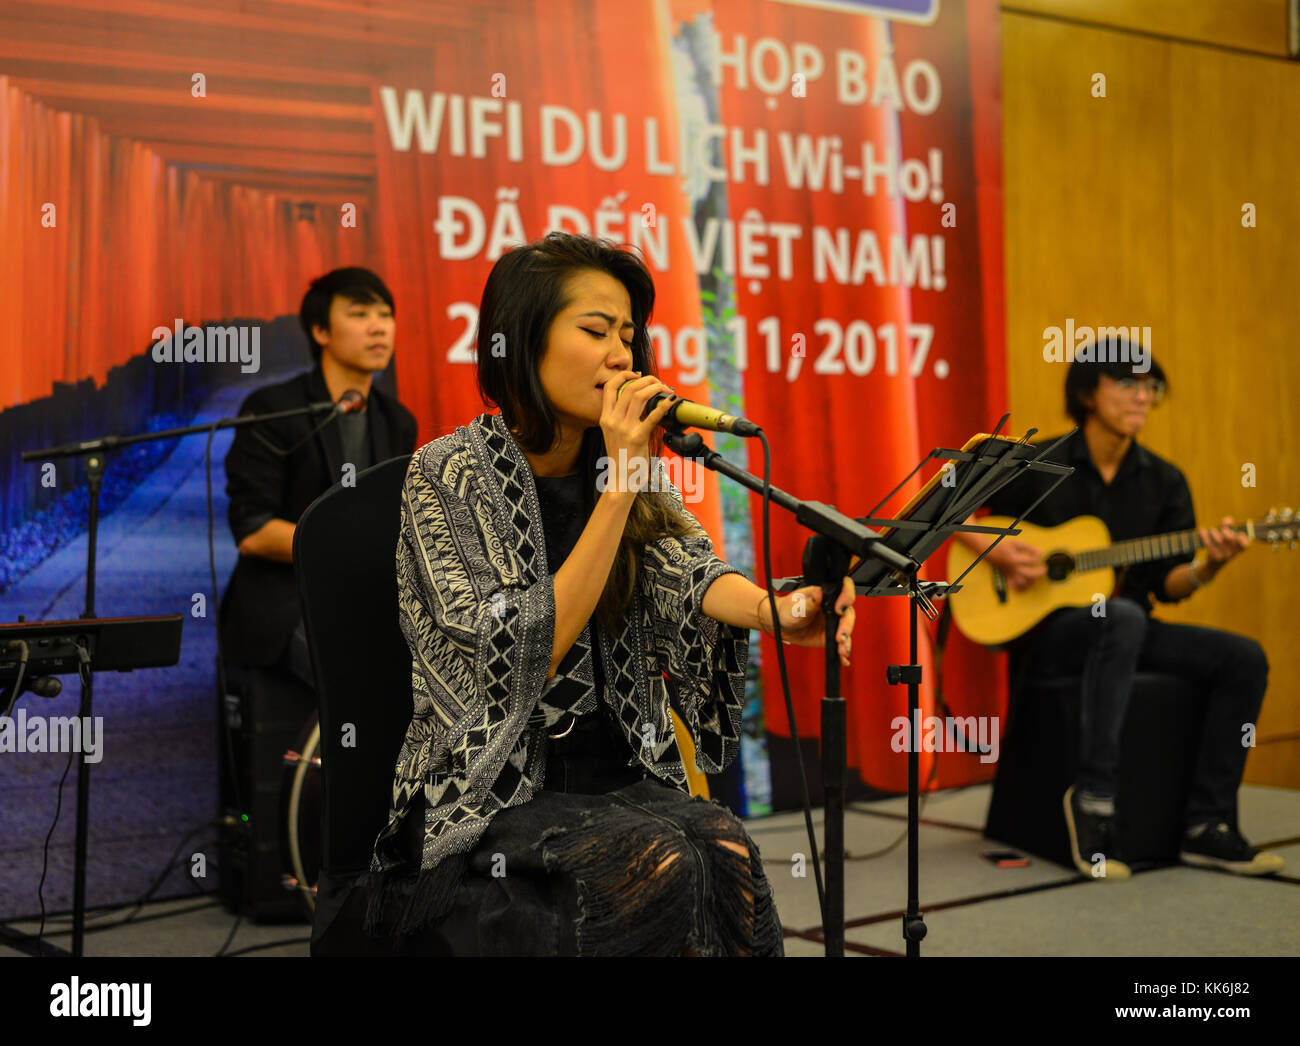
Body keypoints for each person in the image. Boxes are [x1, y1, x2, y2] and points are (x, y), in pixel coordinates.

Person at [361, 232, 857, 956]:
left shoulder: (623, 468)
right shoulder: (447, 472)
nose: (621, 355)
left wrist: (778, 612)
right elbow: (518, 649)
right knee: (656, 864)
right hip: (493, 786)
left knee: (726, 849)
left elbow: (685, 571)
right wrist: (620, 484)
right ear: (522, 343)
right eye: (595, 331)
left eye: (628, 335)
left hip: (617, 771)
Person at [956, 347, 1282, 880]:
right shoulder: (1038, 463)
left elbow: (1172, 584)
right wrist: (992, 547)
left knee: (1242, 657)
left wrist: (1209, 567)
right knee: (1123, 617)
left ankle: (1208, 823)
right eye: (1128, 383)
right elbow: (945, 505)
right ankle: (1094, 802)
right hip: (1045, 635)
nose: (1142, 397)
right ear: (1087, 393)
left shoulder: (1164, 481)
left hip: (1125, 627)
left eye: (1151, 388)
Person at [220, 267, 417, 686]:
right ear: (321, 331)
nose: (378, 327)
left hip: (370, 600)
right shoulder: (275, 409)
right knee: (361, 681)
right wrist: (347, 554)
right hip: (287, 603)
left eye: (385, 315)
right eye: (360, 314)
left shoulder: (397, 420)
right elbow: (254, 531)